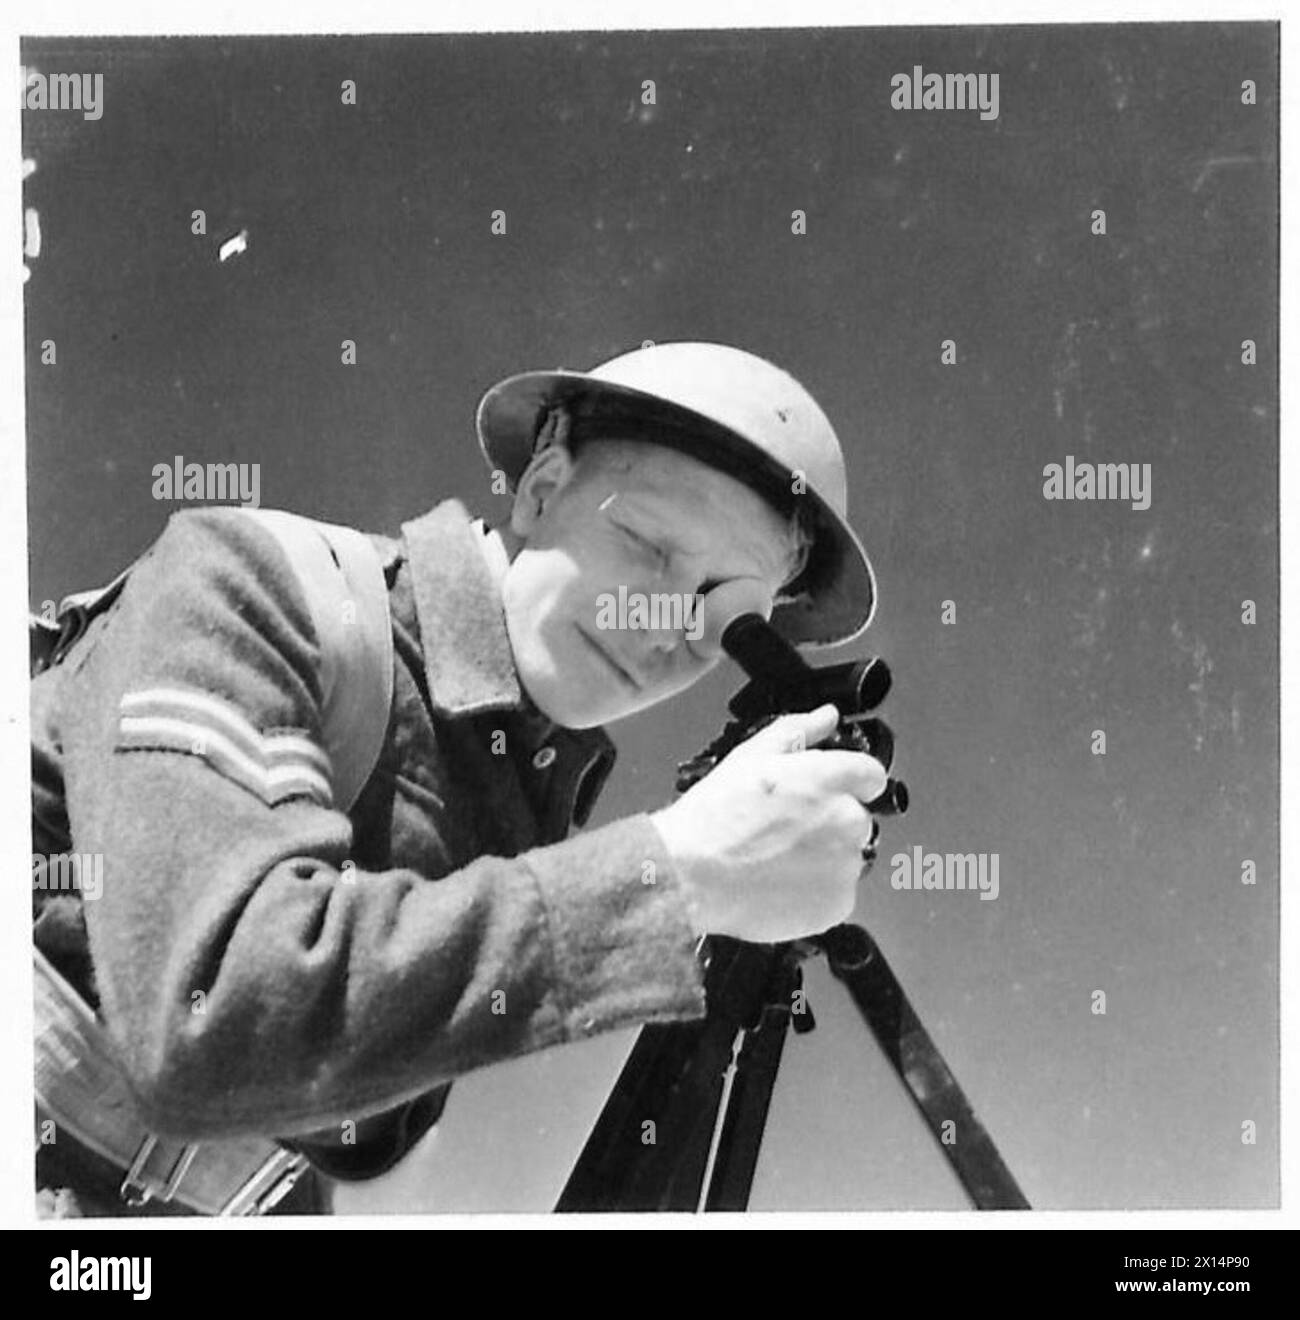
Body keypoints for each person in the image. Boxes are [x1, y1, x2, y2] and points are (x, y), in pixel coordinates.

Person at [30, 340, 887, 1215]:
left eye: (728, 609)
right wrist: (673, 876)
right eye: (646, 545)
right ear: (543, 486)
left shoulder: (535, 771)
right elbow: (205, 1022)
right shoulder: (250, 580)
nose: (668, 624)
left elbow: (356, 1138)